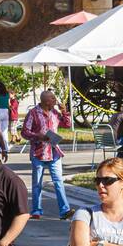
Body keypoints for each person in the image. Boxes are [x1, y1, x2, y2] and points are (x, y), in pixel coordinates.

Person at [21, 89, 75, 220]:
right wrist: (37, 136)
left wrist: (64, 111)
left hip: (54, 152)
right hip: (38, 152)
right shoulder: (33, 113)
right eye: (52, 98)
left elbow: (67, 124)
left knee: (58, 181)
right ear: (46, 101)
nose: (55, 100)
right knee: (37, 183)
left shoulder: (55, 112)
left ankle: (64, 211)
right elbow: (24, 132)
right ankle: (36, 210)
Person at [0, 82, 12, 157]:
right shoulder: (7, 94)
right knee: (5, 130)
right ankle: (6, 147)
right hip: (6, 111)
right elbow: (8, 104)